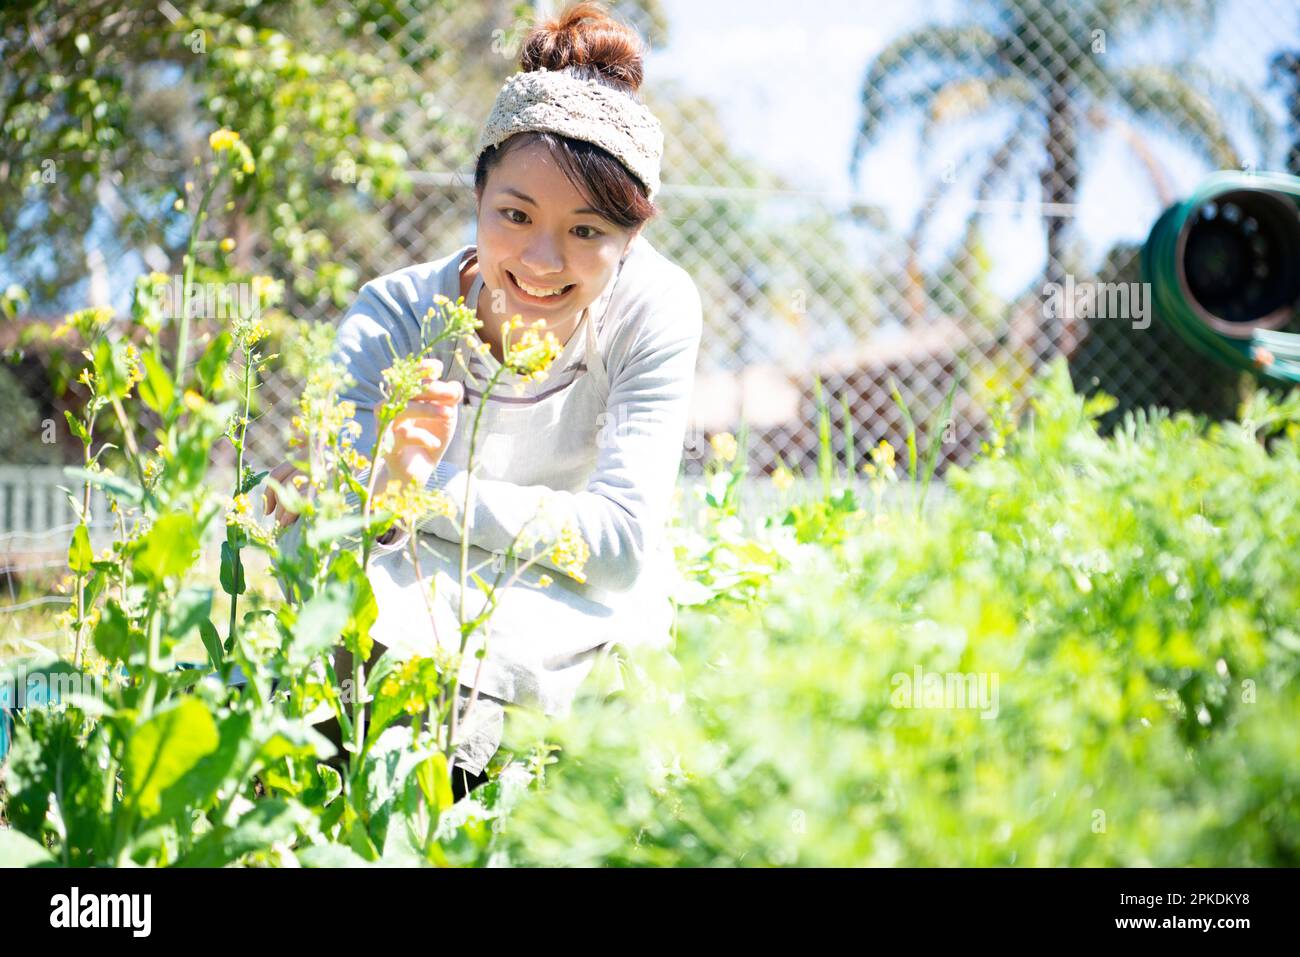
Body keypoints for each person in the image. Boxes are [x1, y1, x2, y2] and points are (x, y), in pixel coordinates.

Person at [262, 1, 701, 800]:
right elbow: (331, 519)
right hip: (417, 593)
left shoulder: (656, 307)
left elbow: (620, 546)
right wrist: (372, 502)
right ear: (477, 196)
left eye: (587, 231)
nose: (541, 258)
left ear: (630, 239)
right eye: (516, 215)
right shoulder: (394, 315)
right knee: (330, 574)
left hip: (569, 604)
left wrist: (416, 493)